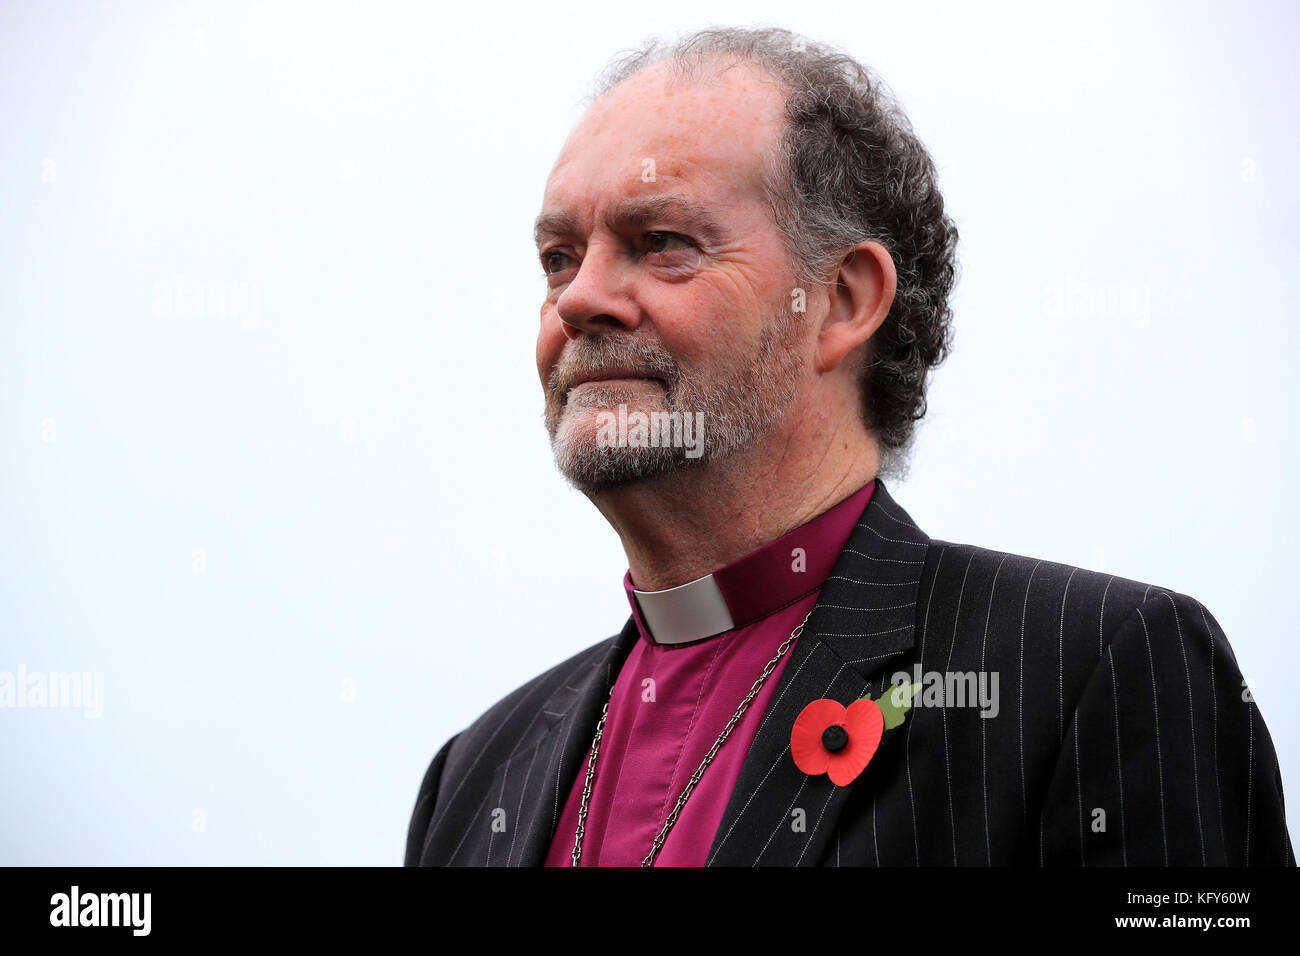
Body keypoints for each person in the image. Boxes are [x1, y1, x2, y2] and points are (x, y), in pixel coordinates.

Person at [405, 26, 1292, 866]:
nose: (579, 299)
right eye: (559, 257)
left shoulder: (1092, 671)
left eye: (661, 243)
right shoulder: (475, 775)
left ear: (843, 301)